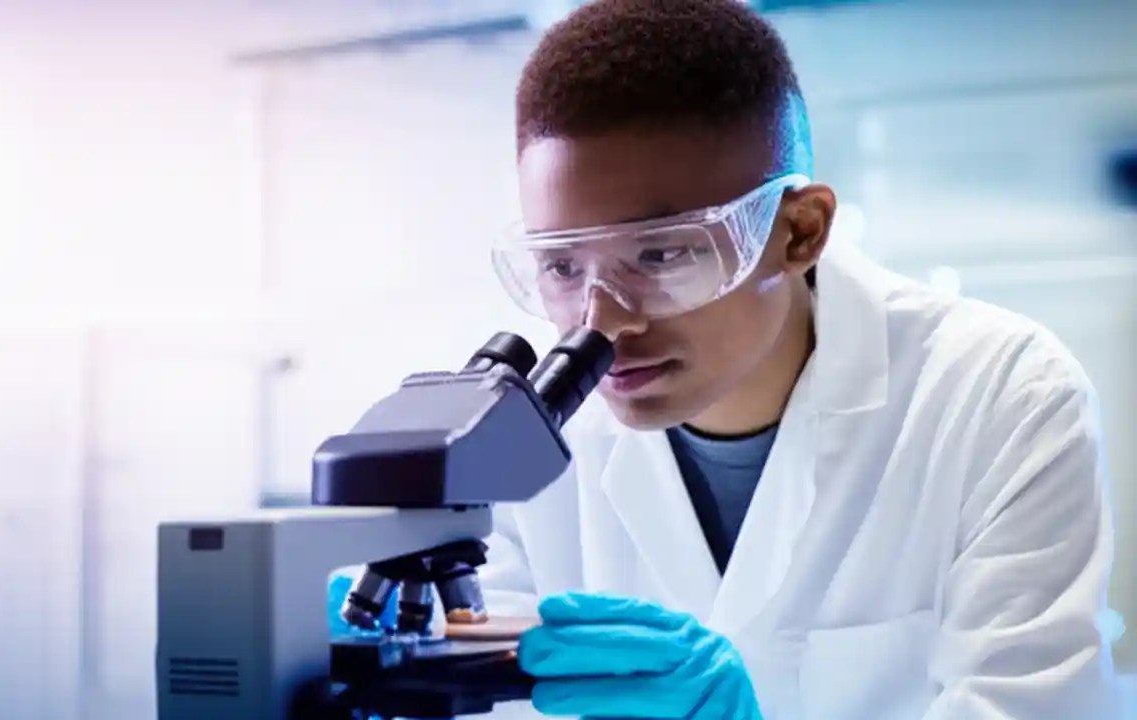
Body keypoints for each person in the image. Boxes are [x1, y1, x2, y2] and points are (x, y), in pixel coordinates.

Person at [477, 1, 1122, 718]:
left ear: (799, 231)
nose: (603, 323)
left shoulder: (1002, 397)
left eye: (661, 254)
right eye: (562, 267)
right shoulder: (523, 445)